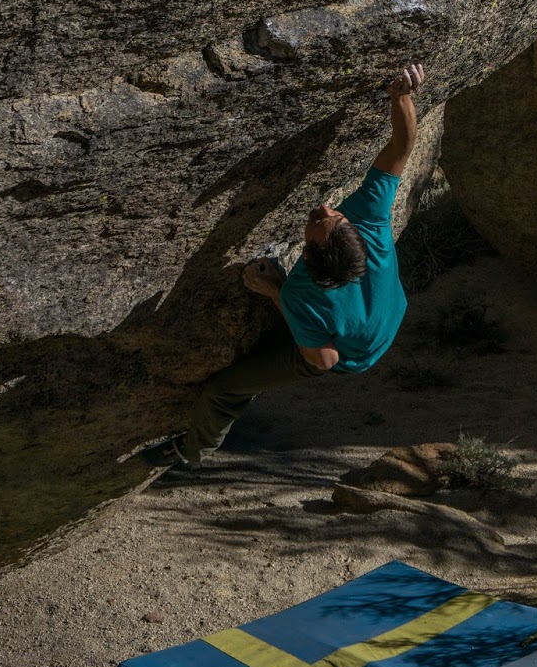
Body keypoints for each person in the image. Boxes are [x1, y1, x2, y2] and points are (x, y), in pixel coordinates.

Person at [145, 61, 425, 470]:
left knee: (223, 391)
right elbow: (401, 148)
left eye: (317, 224)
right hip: (380, 320)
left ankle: (192, 451)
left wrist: (275, 290)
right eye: (333, 215)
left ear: (308, 260)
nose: (324, 207)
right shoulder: (371, 219)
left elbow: (323, 361)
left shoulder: (300, 296)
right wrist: (401, 97)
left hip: (346, 353)